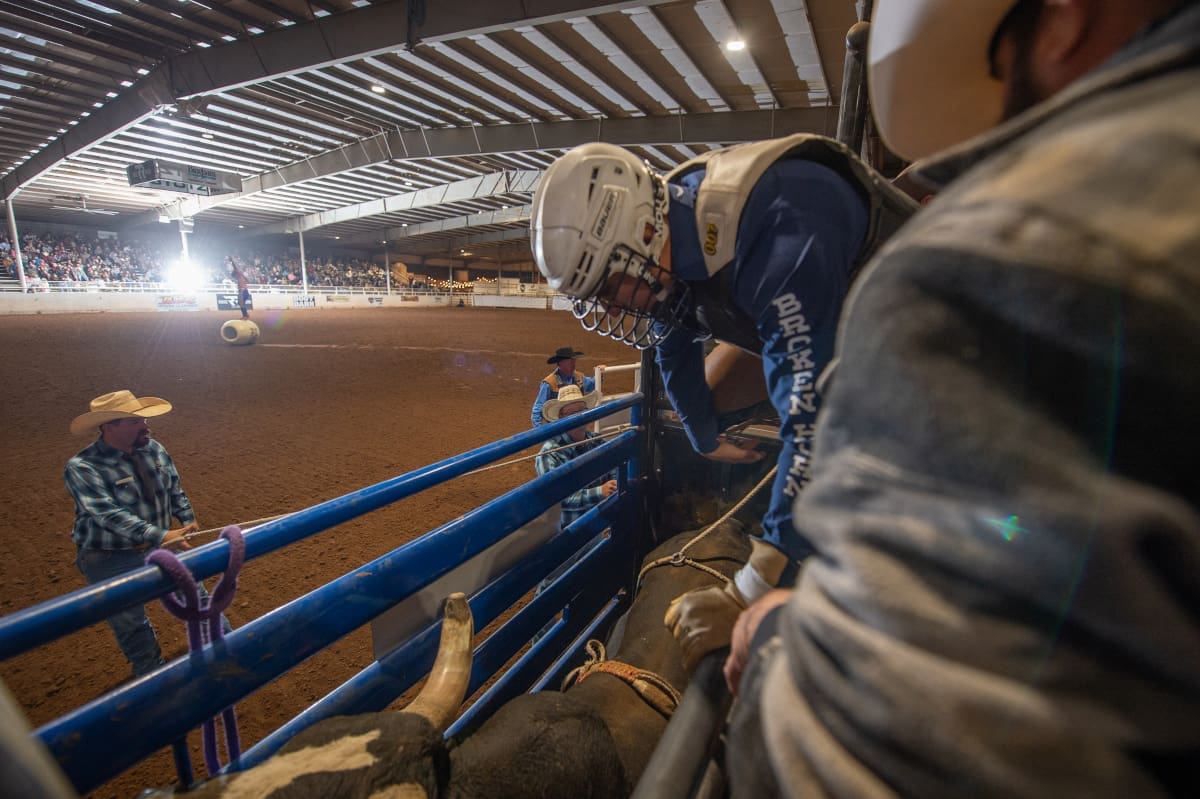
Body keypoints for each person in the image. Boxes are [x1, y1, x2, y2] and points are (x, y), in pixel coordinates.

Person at [724, 2, 1200, 797]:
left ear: (1062, 22)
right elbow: (1022, 524)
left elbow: (860, 759)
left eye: (1003, 77)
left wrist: (772, 630)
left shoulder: (1010, 264)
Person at [529, 134, 916, 668]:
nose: (612, 303)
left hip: (939, 358)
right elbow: (674, 345)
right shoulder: (672, 242)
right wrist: (706, 440)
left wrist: (747, 592)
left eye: (611, 283)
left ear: (644, 228)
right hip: (863, 346)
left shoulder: (779, 217)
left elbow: (811, 415)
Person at [65, 390, 197, 677]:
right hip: (111, 557)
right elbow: (107, 514)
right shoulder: (83, 467)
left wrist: (187, 517)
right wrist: (161, 535)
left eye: (144, 419)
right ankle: (151, 679)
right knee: (131, 623)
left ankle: (221, 643)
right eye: (135, 421)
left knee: (197, 596)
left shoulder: (155, 449)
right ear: (110, 427)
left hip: (161, 543)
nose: (146, 426)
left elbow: (174, 487)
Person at [530, 347, 598, 427]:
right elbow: (537, 410)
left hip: (576, 423)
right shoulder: (549, 383)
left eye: (574, 360)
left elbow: (592, 384)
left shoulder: (579, 377)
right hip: (558, 426)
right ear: (561, 363)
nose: (574, 363)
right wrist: (540, 431)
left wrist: (600, 372)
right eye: (570, 361)